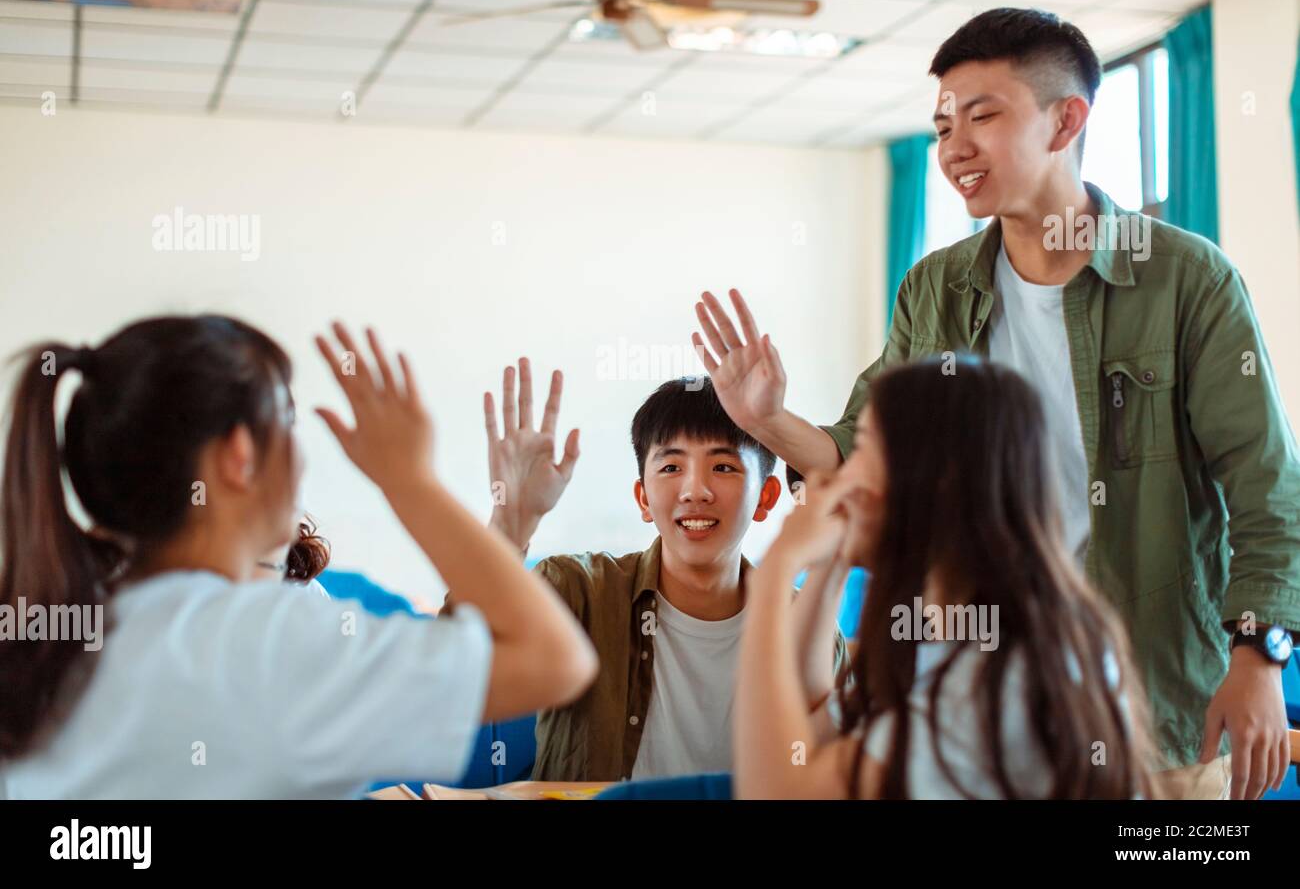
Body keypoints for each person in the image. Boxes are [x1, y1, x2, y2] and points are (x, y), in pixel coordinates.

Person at [695, 7, 1299, 800]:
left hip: (1151, 706)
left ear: (1065, 121)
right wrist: (765, 421)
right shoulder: (936, 288)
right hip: (967, 683)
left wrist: (1258, 658)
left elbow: (1266, 487)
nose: (953, 149)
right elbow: (864, 459)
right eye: (944, 126)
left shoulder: (1187, 281)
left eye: (982, 117)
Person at [0, 317, 595, 797]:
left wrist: (512, 520)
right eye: (287, 423)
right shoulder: (267, 646)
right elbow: (557, 659)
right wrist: (407, 478)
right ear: (240, 455)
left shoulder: (53, 637)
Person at [736, 356, 1156, 799]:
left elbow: (778, 792)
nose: (839, 474)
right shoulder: (956, 637)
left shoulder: (990, 687)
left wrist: (775, 571)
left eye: (863, 449)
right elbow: (812, 723)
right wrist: (831, 560)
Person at [453, 359, 846, 782]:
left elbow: (831, 777)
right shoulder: (577, 592)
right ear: (643, 498)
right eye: (671, 467)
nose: (696, 490)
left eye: (724, 467)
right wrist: (510, 523)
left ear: (767, 496)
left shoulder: (806, 627)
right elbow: (455, 668)